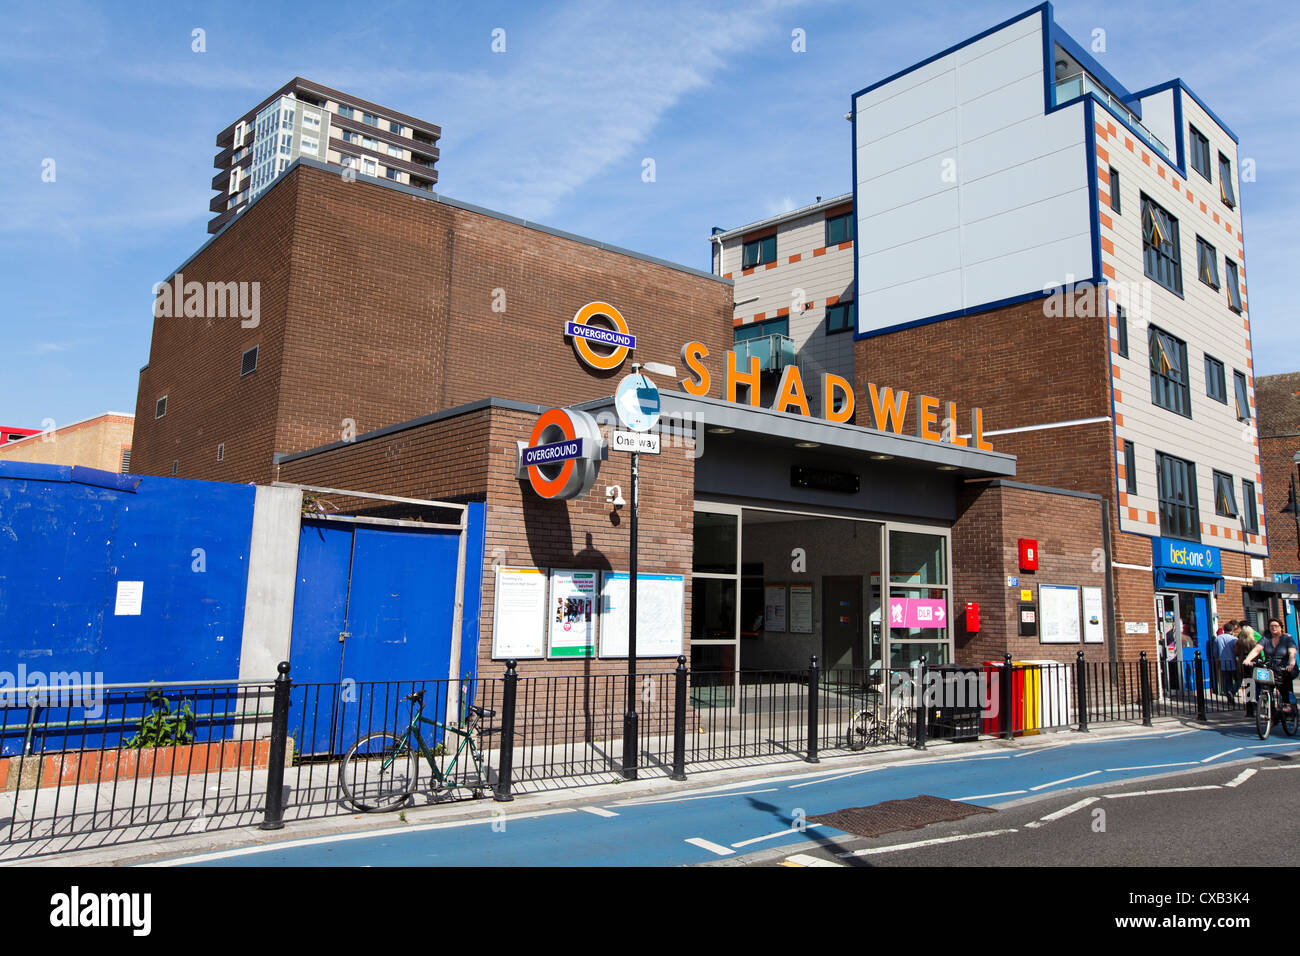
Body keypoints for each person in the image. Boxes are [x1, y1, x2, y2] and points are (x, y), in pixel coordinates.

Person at [1242, 617, 1298, 717]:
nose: (1273, 628)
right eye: (1271, 626)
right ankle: (1272, 714)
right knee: (1266, 684)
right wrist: (1248, 659)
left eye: (1276, 626)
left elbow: (1292, 653)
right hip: (1271, 667)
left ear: (1281, 627)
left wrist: (1291, 664)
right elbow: (1257, 650)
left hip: (1285, 667)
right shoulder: (1266, 638)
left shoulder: (1287, 639)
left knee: (1284, 683)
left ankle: (1289, 704)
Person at [1235, 624, 1263, 715]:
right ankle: (1256, 704)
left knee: (1248, 686)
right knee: (1256, 685)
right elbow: (1258, 654)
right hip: (1254, 665)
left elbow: (1235, 653)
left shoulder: (1238, 642)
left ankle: (1249, 710)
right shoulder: (1253, 642)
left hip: (1243, 665)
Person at [1214, 620, 1239, 700]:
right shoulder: (1234, 639)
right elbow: (1237, 651)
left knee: (1227, 680)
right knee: (1238, 680)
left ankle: (1229, 692)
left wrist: (1217, 664)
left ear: (1224, 629)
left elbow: (1216, 653)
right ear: (1232, 630)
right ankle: (1232, 692)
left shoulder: (1217, 639)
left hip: (1223, 662)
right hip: (1233, 662)